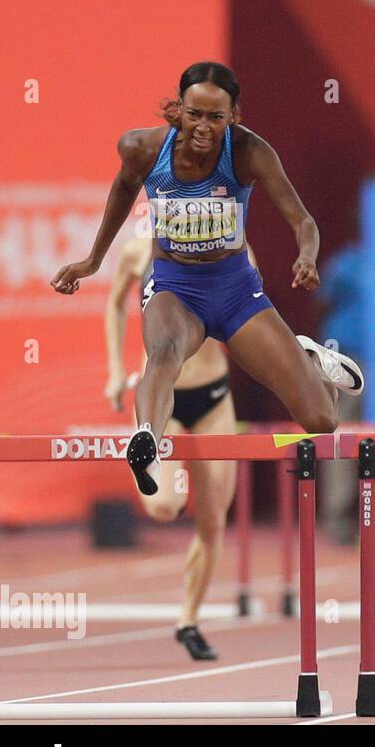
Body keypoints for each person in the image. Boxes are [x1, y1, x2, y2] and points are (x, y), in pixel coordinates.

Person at [51, 62, 362, 497]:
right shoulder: (142, 148)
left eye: (216, 118)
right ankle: (147, 440)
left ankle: (306, 355)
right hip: (176, 289)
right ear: (178, 110)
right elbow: (123, 189)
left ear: (233, 116)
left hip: (236, 293)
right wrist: (92, 260)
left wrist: (306, 257)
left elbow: (303, 220)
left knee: (322, 422)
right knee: (163, 353)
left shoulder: (249, 153)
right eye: (194, 114)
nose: (203, 127)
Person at [104, 235, 251, 660]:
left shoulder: (231, 239)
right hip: (161, 398)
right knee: (165, 506)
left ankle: (188, 619)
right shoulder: (137, 249)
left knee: (212, 519)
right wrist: (115, 370)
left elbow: (253, 310)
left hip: (213, 397)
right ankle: (149, 453)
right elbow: (114, 303)